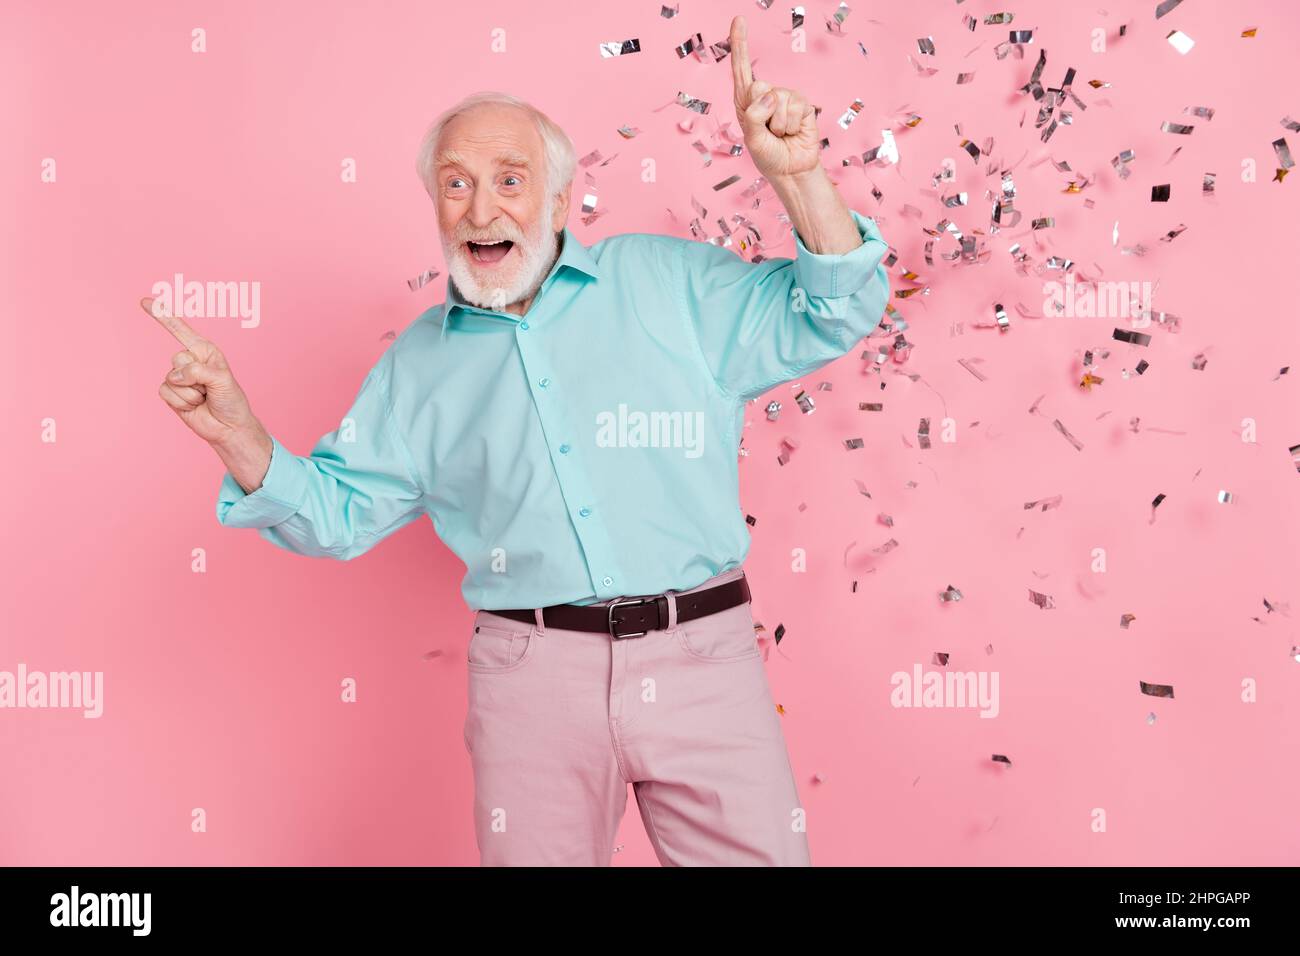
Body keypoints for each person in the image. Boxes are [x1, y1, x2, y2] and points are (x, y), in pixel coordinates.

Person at [143, 15, 890, 866]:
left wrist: (801, 182)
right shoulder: (418, 365)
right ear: (435, 207)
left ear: (560, 197)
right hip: (533, 680)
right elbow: (334, 517)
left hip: (705, 659)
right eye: (455, 185)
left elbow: (837, 309)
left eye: (509, 177)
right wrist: (239, 433)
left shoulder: (669, 284)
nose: (481, 207)